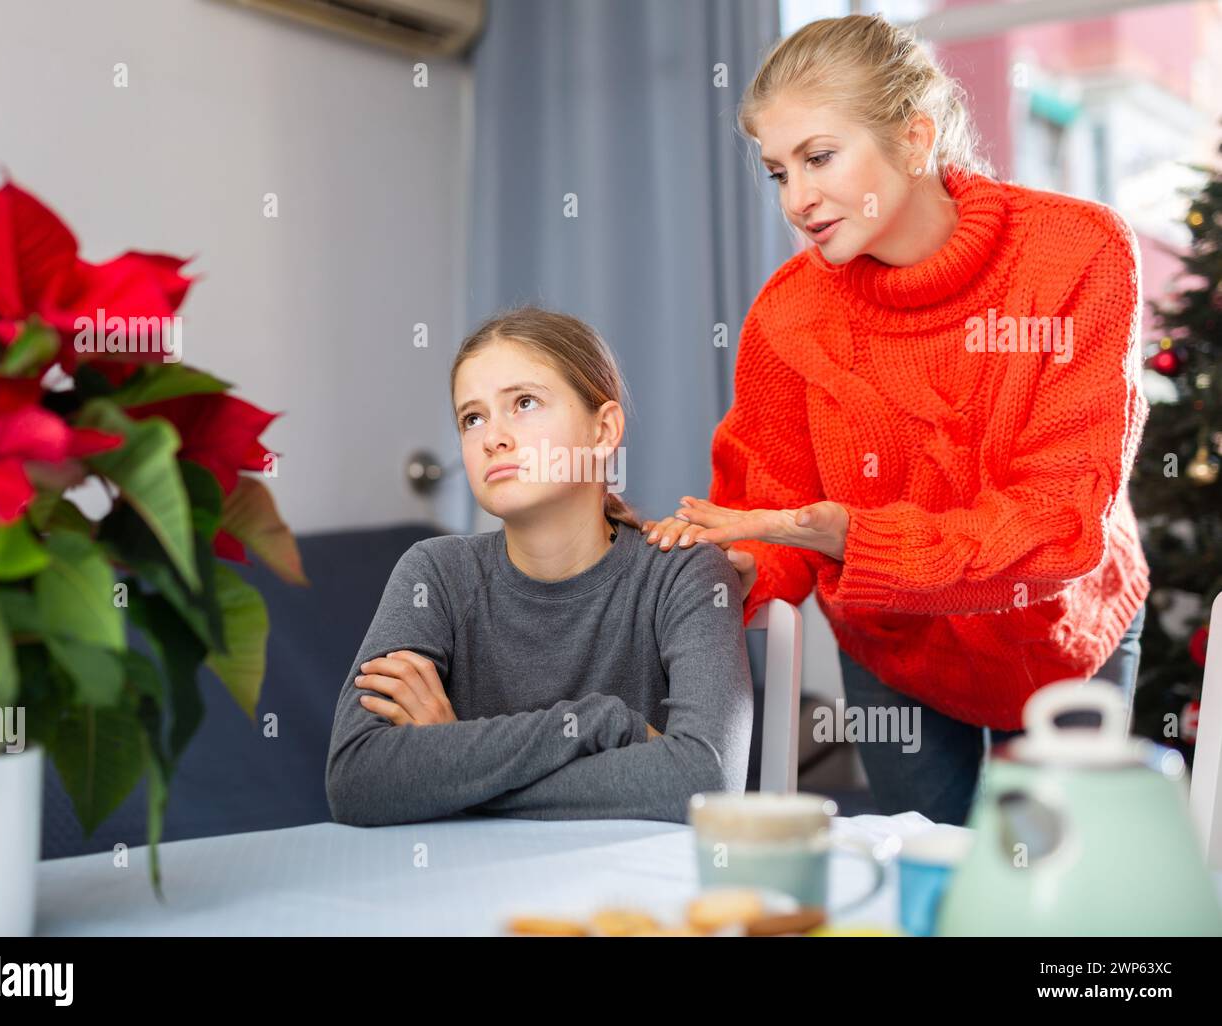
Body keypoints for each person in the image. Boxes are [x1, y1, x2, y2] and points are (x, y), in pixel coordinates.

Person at [642, 14, 1150, 827]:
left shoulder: (1079, 255)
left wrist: (853, 536)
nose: (797, 199)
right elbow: (775, 511)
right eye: (777, 172)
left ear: (914, 139)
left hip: (1059, 637)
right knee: (927, 886)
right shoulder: (790, 315)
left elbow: (1057, 531)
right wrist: (739, 570)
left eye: (818, 157)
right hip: (896, 650)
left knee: (1061, 905)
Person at [326, 306, 754, 827]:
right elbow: (355, 781)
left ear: (603, 431)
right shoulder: (433, 575)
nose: (492, 438)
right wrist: (602, 723)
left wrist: (449, 757)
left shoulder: (684, 571)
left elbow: (705, 783)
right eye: (473, 418)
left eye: (524, 403)